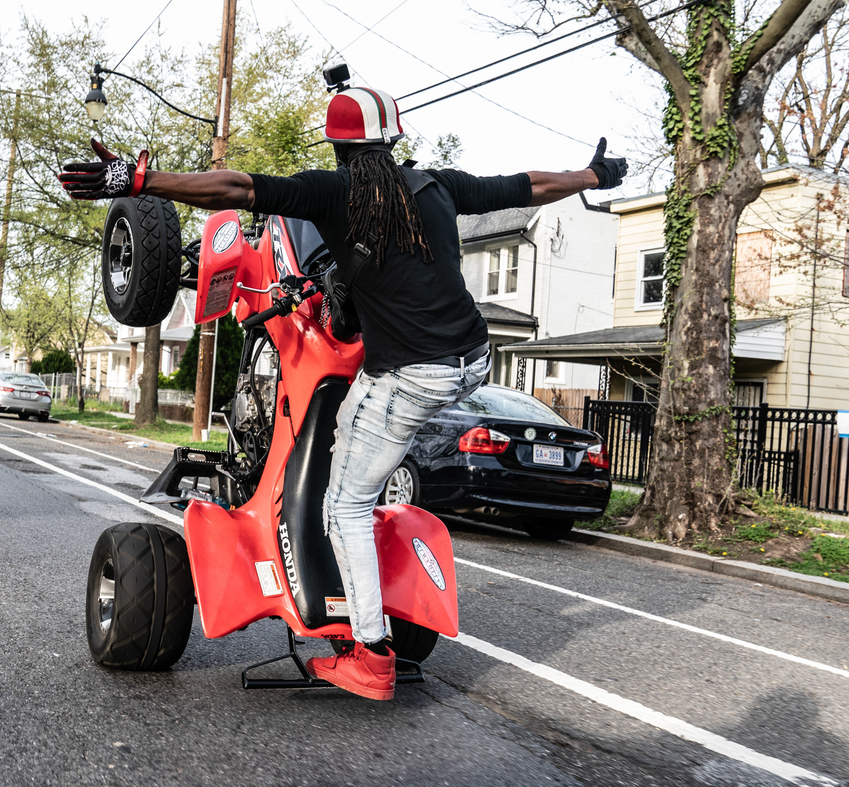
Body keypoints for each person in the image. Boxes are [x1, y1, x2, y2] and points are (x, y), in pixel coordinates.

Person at [59, 84, 625, 701]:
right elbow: (526, 186)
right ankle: (355, 591)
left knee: (345, 505)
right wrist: (591, 175)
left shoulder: (336, 191)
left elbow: (235, 188)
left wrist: (138, 179)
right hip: (473, 360)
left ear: (337, 146)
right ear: (393, 141)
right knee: (351, 424)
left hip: (415, 372)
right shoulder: (434, 185)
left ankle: (369, 657)